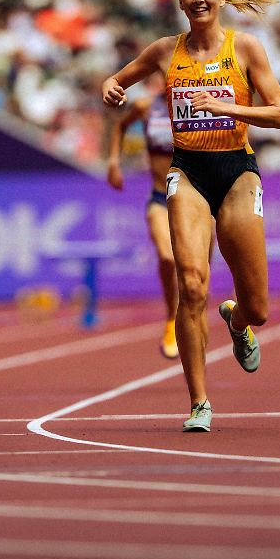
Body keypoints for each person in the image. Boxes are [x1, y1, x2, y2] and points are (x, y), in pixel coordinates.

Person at [101, 0, 280, 432]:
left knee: (260, 308)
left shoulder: (245, 48)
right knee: (191, 283)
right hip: (187, 172)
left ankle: (237, 319)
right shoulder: (165, 52)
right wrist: (112, 87)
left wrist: (227, 106)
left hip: (237, 171)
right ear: (181, 1)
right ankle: (199, 403)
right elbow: (118, 80)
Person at [106, 75, 180, 359]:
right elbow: (120, 126)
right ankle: (171, 319)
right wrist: (114, 162)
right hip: (160, 198)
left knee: (199, 279)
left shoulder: (198, 107)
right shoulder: (146, 106)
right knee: (167, 257)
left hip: (197, 199)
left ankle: (192, 325)